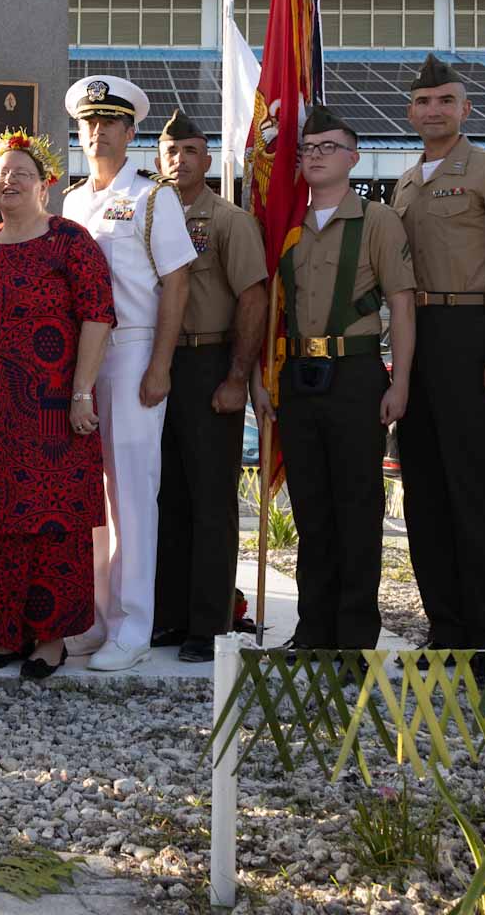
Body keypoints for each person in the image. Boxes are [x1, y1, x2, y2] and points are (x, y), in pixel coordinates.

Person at [387, 54, 485, 674]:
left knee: (476, 493)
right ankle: (446, 630)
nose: (434, 111)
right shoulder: (403, 183)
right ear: (411, 111)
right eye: (424, 102)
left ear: (465, 109)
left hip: (470, 330)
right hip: (414, 335)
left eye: (445, 101)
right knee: (424, 493)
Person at [0, 130, 114, 680]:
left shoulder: (72, 242)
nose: (9, 182)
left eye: (21, 173)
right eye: (1, 174)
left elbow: (98, 316)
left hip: (54, 413)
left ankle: (50, 640)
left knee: (54, 526)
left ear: (45, 182)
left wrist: (80, 392)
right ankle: (1, 635)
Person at [266, 105, 416, 651]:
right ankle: (312, 628)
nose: (315, 157)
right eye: (308, 149)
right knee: (310, 508)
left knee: (356, 508)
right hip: (299, 376)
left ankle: (354, 636)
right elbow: (272, 309)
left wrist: (399, 384)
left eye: (329, 147)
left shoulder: (377, 221)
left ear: (353, 157)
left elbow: (401, 305)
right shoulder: (287, 227)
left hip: (355, 373)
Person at [59, 73, 194, 672]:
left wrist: (160, 364)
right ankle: (95, 617)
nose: (98, 132)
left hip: (135, 349)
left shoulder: (153, 197)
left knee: (133, 494)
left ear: (131, 131)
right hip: (82, 358)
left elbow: (177, 282)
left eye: (110, 122)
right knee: (91, 493)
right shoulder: (70, 200)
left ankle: (134, 623)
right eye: (90, 123)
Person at [149, 110, 267, 663]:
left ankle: (208, 623)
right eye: (171, 152)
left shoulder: (227, 220)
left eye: (191, 151)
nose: (180, 161)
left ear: (208, 159)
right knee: (166, 496)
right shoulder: (145, 214)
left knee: (209, 501)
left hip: (207, 362)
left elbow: (253, 298)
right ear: (158, 160)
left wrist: (237, 377)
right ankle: (168, 617)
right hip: (153, 364)